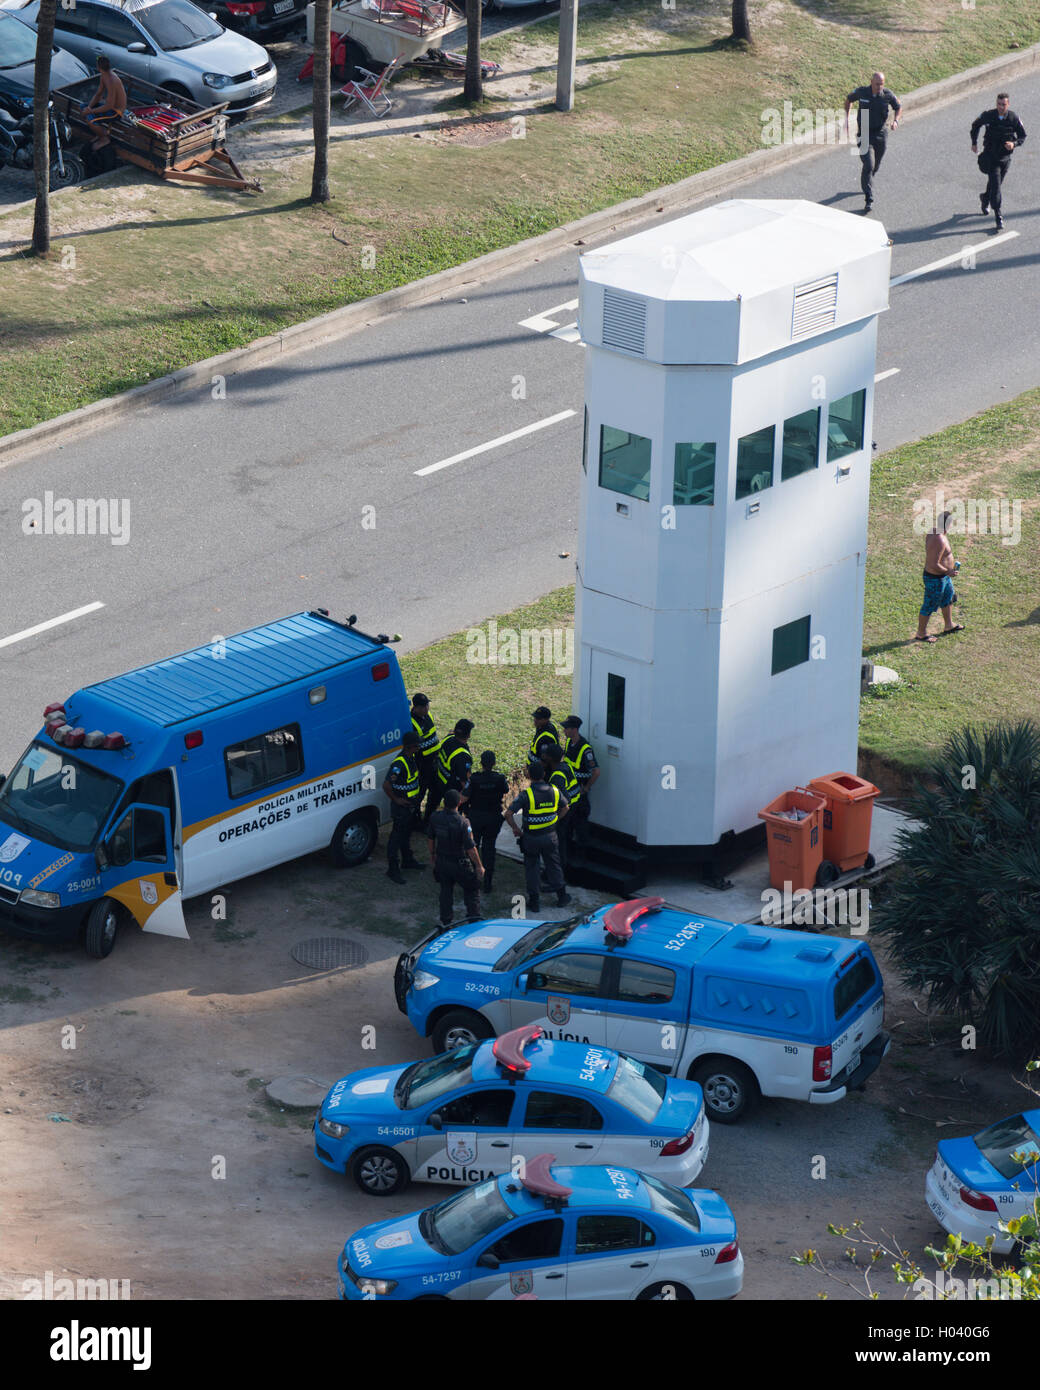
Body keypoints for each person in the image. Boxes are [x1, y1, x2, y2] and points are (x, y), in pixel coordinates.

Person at [505, 765, 571, 914]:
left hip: (531, 838)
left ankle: (534, 903)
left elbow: (508, 814)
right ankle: (562, 896)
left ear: (529, 775)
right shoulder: (554, 791)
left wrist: (516, 829)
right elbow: (566, 807)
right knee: (554, 865)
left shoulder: (526, 794)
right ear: (544, 773)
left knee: (532, 868)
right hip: (550, 836)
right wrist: (555, 820)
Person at [844, 72, 901, 212]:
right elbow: (848, 100)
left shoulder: (887, 94)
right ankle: (869, 198)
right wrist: (846, 118)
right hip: (864, 132)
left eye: (881, 84)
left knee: (877, 163)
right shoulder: (862, 92)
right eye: (877, 84)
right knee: (868, 164)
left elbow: (898, 107)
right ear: (871, 82)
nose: (879, 87)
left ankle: (869, 176)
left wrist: (895, 121)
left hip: (881, 132)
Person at [428, 789, 484, 927]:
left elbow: (430, 838)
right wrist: (478, 865)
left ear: (444, 802)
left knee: (445, 892)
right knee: (472, 891)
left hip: (442, 861)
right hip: (460, 863)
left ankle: (446, 923)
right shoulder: (463, 822)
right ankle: (473, 922)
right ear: (459, 803)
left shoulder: (435, 817)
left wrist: (432, 855)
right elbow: (470, 848)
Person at [971, 93, 1026, 231]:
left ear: (1008, 104)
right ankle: (998, 215)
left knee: (996, 184)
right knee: (996, 186)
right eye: (999, 104)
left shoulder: (1013, 118)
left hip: (1005, 158)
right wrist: (974, 143)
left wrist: (1014, 144)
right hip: (991, 157)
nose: (1001, 107)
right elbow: (975, 125)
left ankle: (985, 197)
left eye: (1003, 104)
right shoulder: (989, 115)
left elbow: (1022, 136)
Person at [915, 511, 964, 643]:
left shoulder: (935, 532)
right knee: (929, 604)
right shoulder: (939, 539)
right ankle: (921, 633)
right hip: (935, 579)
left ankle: (949, 625)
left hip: (943, 577)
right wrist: (949, 572)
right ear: (948, 524)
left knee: (948, 598)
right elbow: (933, 563)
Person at [382, 731, 425, 883]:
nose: (419, 747)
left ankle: (407, 860)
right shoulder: (399, 764)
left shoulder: (410, 758)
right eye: (417, 745)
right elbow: (386, 785)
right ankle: (392, 869)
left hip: (410, 806)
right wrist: (397, 800)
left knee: (406, 834)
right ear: (410, 747)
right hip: (402, 808)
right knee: (396, 837)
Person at [465, 751, 509, 895]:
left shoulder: (474, 779)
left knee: (474, 847)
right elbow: (505, 789)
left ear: (481, 763)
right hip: (493, 818)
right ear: (494, 763)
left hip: (476, 817)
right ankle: (488, 883)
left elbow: (465, 796)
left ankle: (474, 879)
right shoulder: (500, 778)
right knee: (489, 849)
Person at [561, 716, 599, 853]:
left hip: (579, 796)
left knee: (581, 827)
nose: (564, 730)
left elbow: (596, 772)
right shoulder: (569, 742)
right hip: (569, 792)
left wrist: (586, 788)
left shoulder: (585, 749)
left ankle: (582, 856)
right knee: (567, 827)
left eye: (567, 728)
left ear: (575, 730)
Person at [425, 718, 474, 823]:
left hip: (438, 779)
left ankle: (426, 823)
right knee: (454, 815)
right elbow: (464, 781)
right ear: (469, 735)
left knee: (432, 804)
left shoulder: (448, 738)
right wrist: (466, 795)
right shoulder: (462, 755)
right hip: (451, 788)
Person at [540, 743, 577, 877]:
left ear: (550, 758)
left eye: (546, 754)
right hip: (574, 809)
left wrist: (554, 820)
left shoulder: (557, 777)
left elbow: (564, 802)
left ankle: (555, 875)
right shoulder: (566, 766)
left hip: (565, 814)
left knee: (557, 846)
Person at [409, 693, 441, 824]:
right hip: (422, 765)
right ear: (416, 708)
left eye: (427, 705)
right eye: (424, 706)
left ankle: (428, 818)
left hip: (434, 762)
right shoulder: (411, 723)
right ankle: (415, 821)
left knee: (435, 792)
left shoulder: (428, 715)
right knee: (419, 794)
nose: (427, 708)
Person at [83, 57, 127, 152]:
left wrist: (91, 111)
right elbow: (98, 94)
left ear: (98, 67)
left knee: (91, 119)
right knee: (83, 107)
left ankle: (104, 138)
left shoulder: (112, 80)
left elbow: (109, 106)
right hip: (109, 107)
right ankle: (100, 133)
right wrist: (89, 107)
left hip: (116, 111)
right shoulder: (103, 76)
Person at [528, 706, 560, 774]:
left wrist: (532, 772)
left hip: (541, 774)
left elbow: (544, 762)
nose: (535, 720)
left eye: (538, 718)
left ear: (546, 719)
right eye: (535, 717)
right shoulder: (541, 727)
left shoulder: (547, 738)